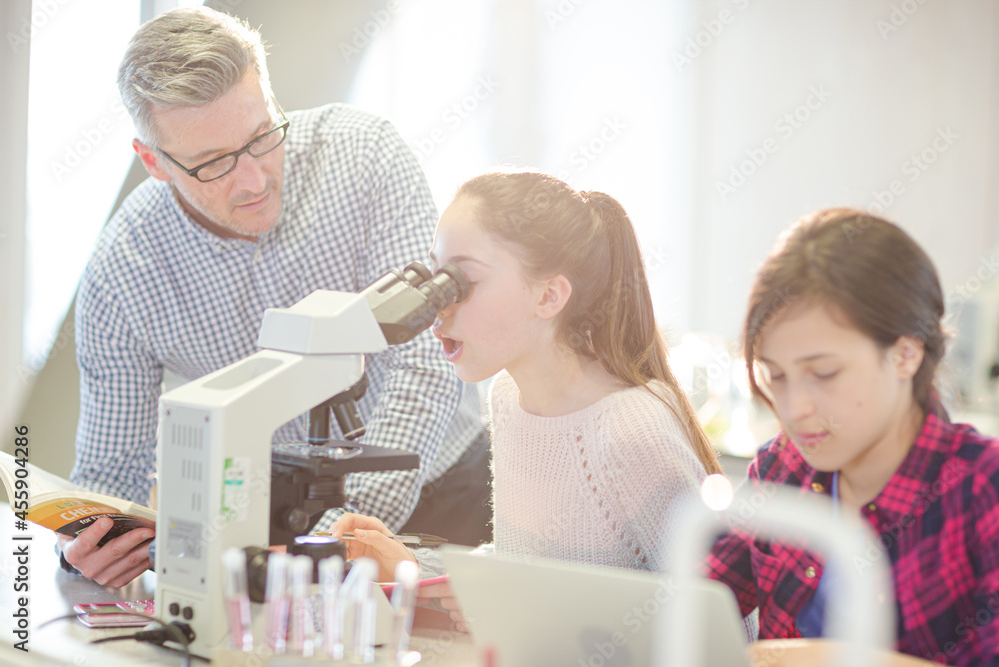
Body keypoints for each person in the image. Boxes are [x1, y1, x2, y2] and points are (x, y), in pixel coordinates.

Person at [60, 6, 489, 587]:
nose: (254, 180)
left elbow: (424, 362)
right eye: (213, 164)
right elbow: (113, 469)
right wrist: (86, 545)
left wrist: (337, 536)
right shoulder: (123, 272)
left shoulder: (366, 157)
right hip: (275, 522)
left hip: (446, 487)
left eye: (262, 136)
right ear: (154, 162)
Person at [332, 171, 726, 628]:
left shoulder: (632, 431)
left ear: (549, 295)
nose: (438, 307)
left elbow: (719, 621)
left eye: (461, 281)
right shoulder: (507, 397)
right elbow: (524, 566)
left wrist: (522, 604)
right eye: (435, 276)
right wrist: (411, 565)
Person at [707, 208, 999, 664]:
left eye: (824, 373)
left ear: (905, 354)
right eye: (776, 376)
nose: (794, 409)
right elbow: (696, 608)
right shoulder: (781, 468)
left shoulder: (981, 487)